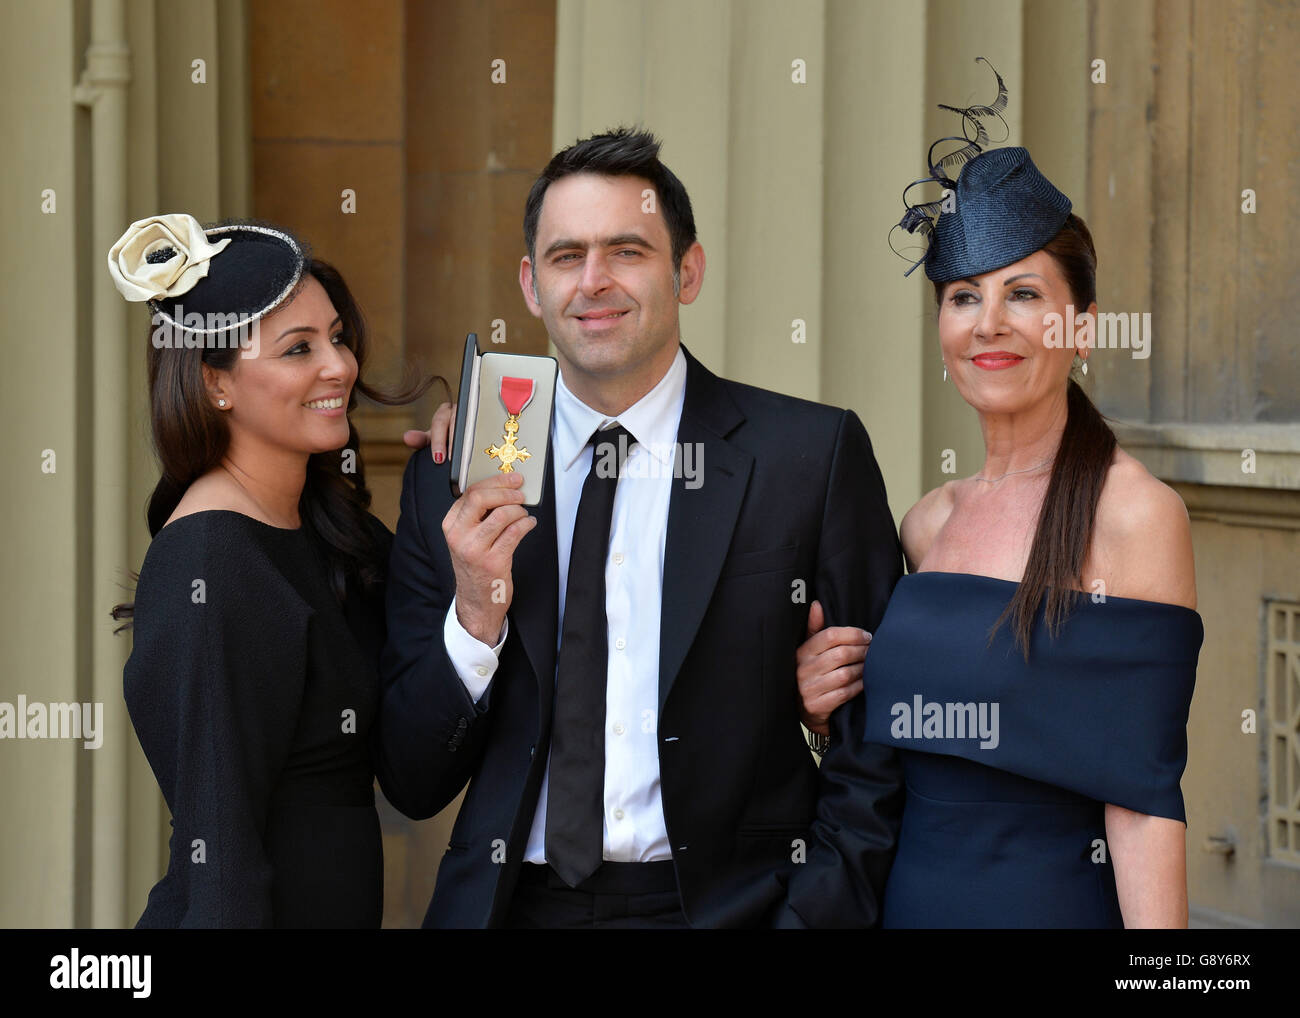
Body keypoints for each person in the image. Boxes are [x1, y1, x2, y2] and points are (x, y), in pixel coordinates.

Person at [377, 128, 906, 928]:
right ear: (530, 284)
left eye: (627, 250)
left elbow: (880, 744)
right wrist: (475, 622)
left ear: (686, 272)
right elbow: (411, 779)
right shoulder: (459, 474)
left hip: (730, 910)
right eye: (565, 256)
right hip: (512, 909)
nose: (594, 281)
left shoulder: (810, 457)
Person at [798, 60, 1202, 927]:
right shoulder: (925, 521)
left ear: (1081, 327)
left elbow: (1142, 802)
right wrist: (828, 705)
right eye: (963, 298)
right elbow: (898, 753)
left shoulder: (1136, 515)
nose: (988, 323)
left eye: (1023, 294)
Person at [112, 215, 437, 927]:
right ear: (214, 384)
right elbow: (219, 862)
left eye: (338, 337)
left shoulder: (328, 530)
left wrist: (461, 475)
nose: (341, 367)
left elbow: (421, 759)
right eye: (299, 349)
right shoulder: (213, 560)